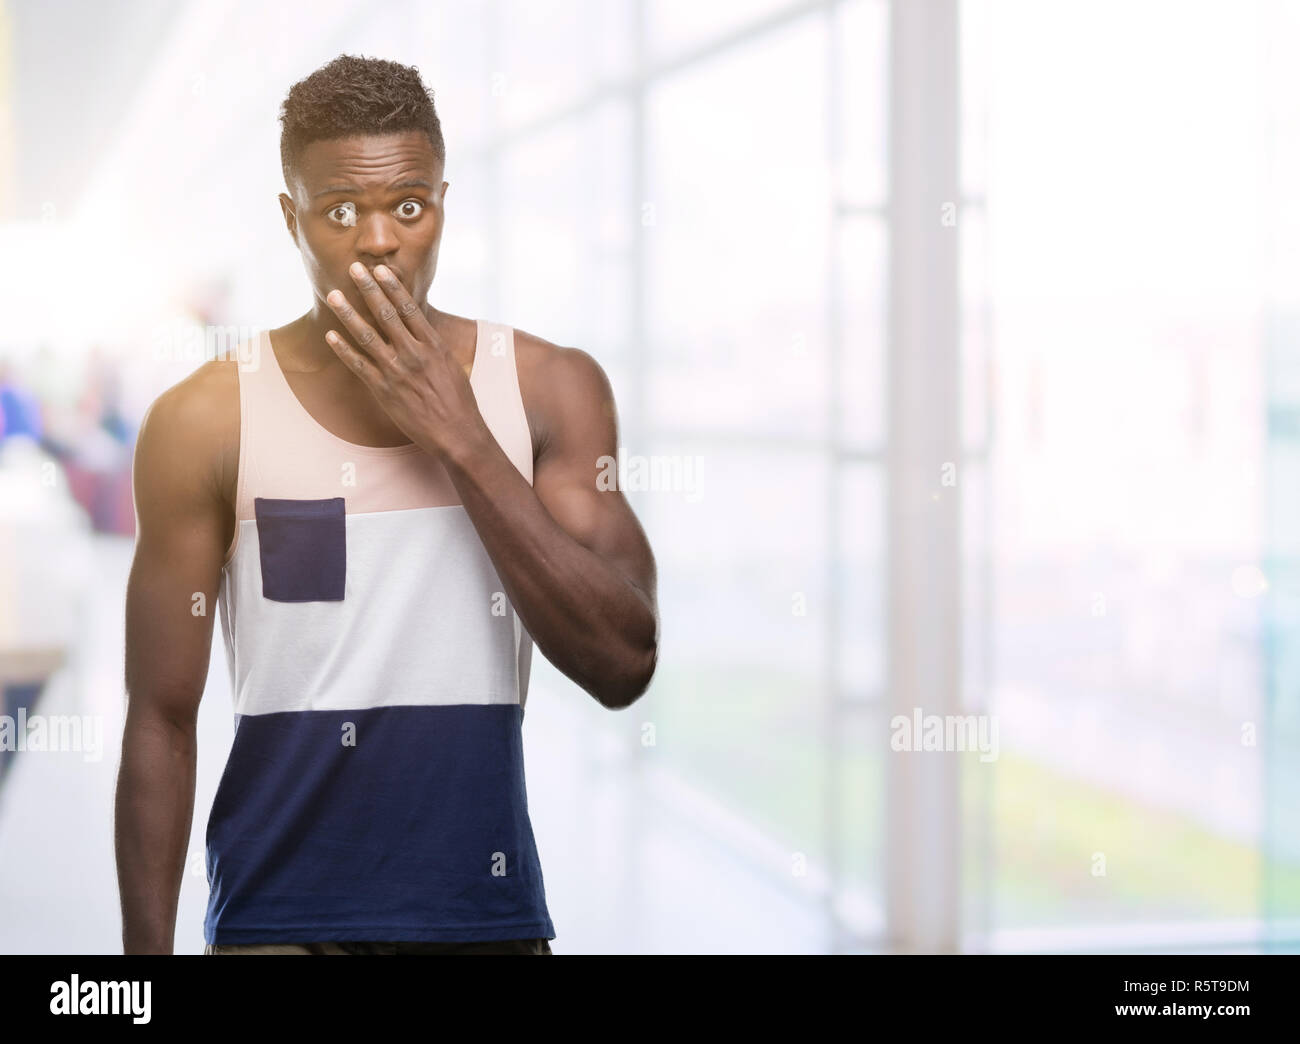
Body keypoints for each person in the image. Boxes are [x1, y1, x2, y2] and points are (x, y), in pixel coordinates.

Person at [115, 55, 660, 956]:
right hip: (273, 919)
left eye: (409, 205)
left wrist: (461, 436)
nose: (378, 240)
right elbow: (160, 716)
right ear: (291, 217)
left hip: (480, 917)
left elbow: (623, 661)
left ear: (443, 201)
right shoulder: (203, 418)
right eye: (340, 211)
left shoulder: (548, 389)